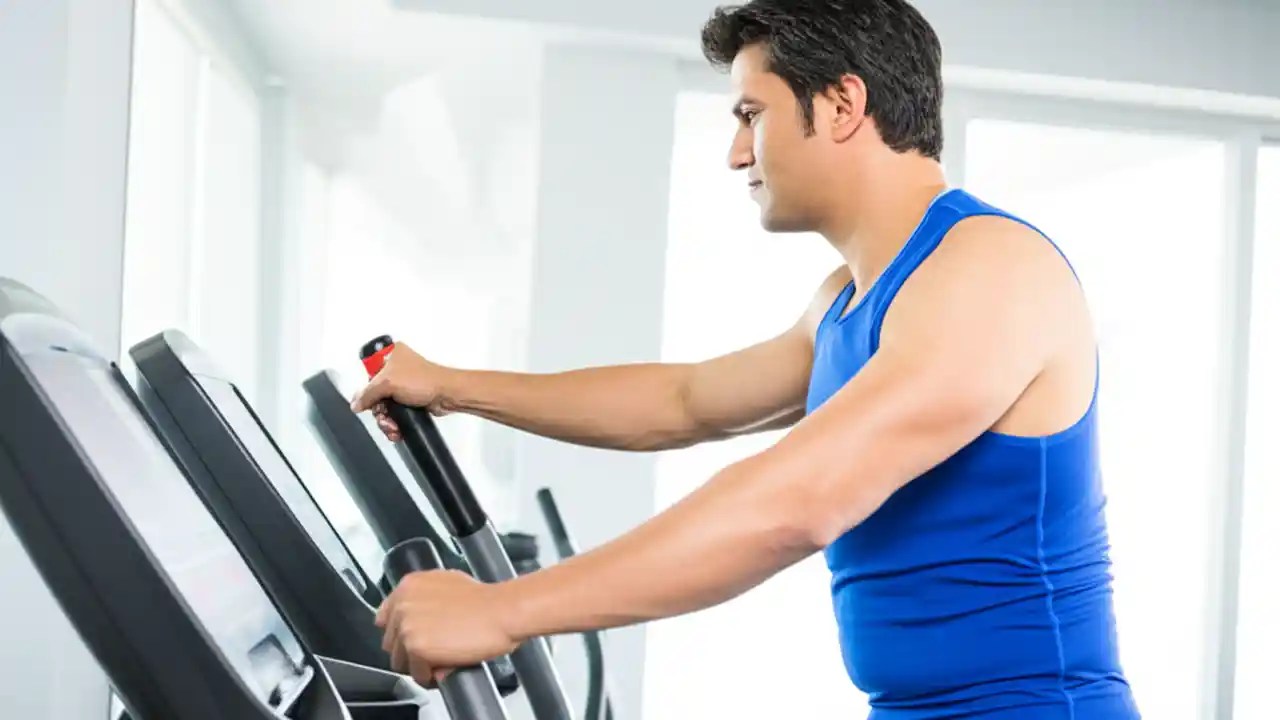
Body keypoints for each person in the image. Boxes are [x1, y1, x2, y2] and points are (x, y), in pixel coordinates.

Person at [351, 1, 1141, 717]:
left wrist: (504, 611)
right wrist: (452, 387)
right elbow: (685, 403)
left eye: (750, 114)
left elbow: (797, 501)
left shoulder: (989, 269)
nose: (736, 154)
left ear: (840, 105)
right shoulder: (848, 300)